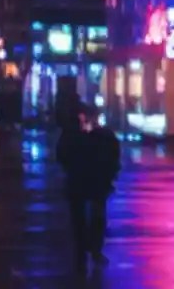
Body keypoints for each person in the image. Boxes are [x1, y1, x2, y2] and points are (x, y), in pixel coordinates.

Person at [56, 104, 120, 274]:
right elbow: (114, 158)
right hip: (95, 182)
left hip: (80, 182)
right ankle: (92, 251)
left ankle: (83, 252)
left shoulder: (73, 135)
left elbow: (62, 155)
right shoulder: (104, 136)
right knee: (95, 217)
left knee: (82, 218)